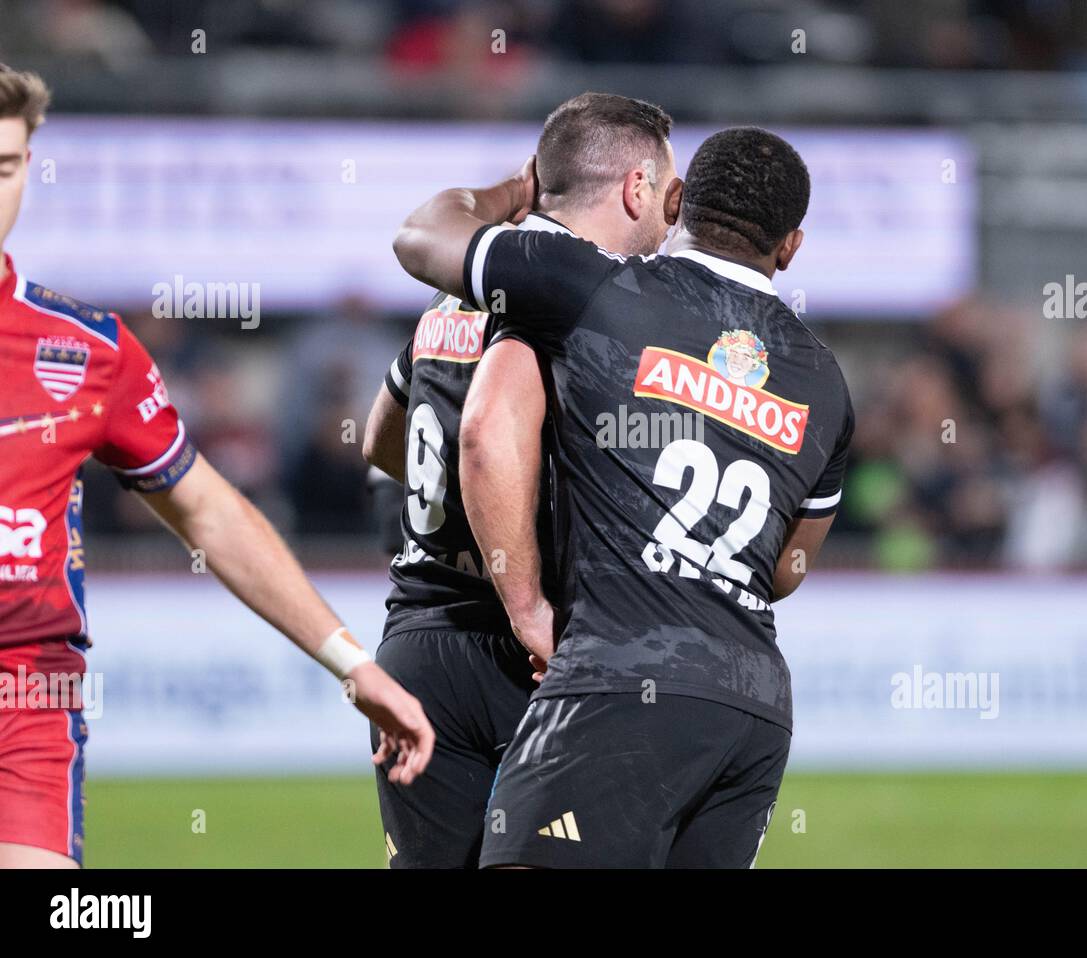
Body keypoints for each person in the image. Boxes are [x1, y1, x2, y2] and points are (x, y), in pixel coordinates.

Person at [0, 63, 433, 869]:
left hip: (24, 695)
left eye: (8, 167)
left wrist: (353, 663)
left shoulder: (90, 353)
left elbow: (211, 515)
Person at [392, 125, 855, 867]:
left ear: (677, 203)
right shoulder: (825, 381)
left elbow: (421, 237)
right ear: (791, 245)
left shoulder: (599, 286)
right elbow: (785, 569)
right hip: (752, 708)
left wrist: (515, 190)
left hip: (618, 675)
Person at [362, 93, 677, 867]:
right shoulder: (579, 294)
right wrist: (525, 597)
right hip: (528, 645)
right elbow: (483, 439)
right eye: (669, 194)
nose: (672, 219)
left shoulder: (454, 298)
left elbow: (379, 441)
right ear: (636, 188)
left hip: (417, 637)